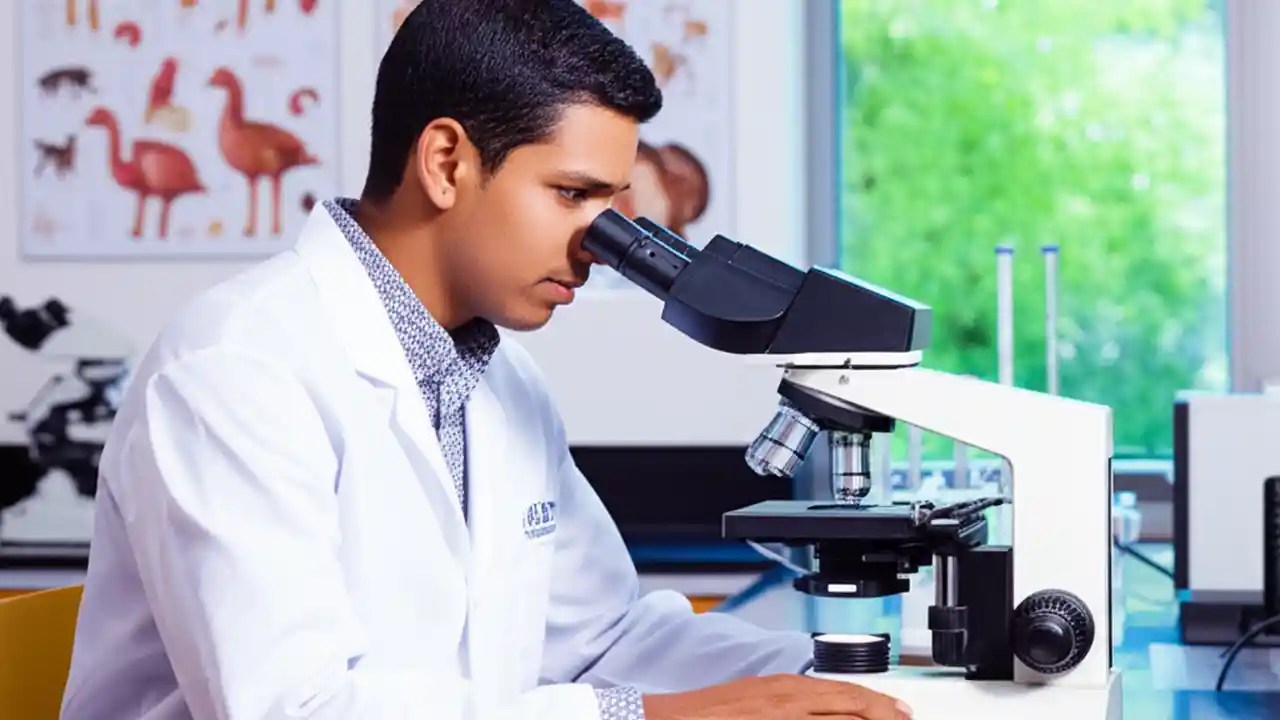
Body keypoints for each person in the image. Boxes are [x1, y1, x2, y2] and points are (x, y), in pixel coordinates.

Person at [59, 1, 913, 719]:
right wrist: (647, 715)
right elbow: (297, 709)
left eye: (613, 205)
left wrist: (843, 673)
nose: (601, 245)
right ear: (445, 162)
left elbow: (603, 639)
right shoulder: (233, 370)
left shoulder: (500, 385)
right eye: (572, 195)